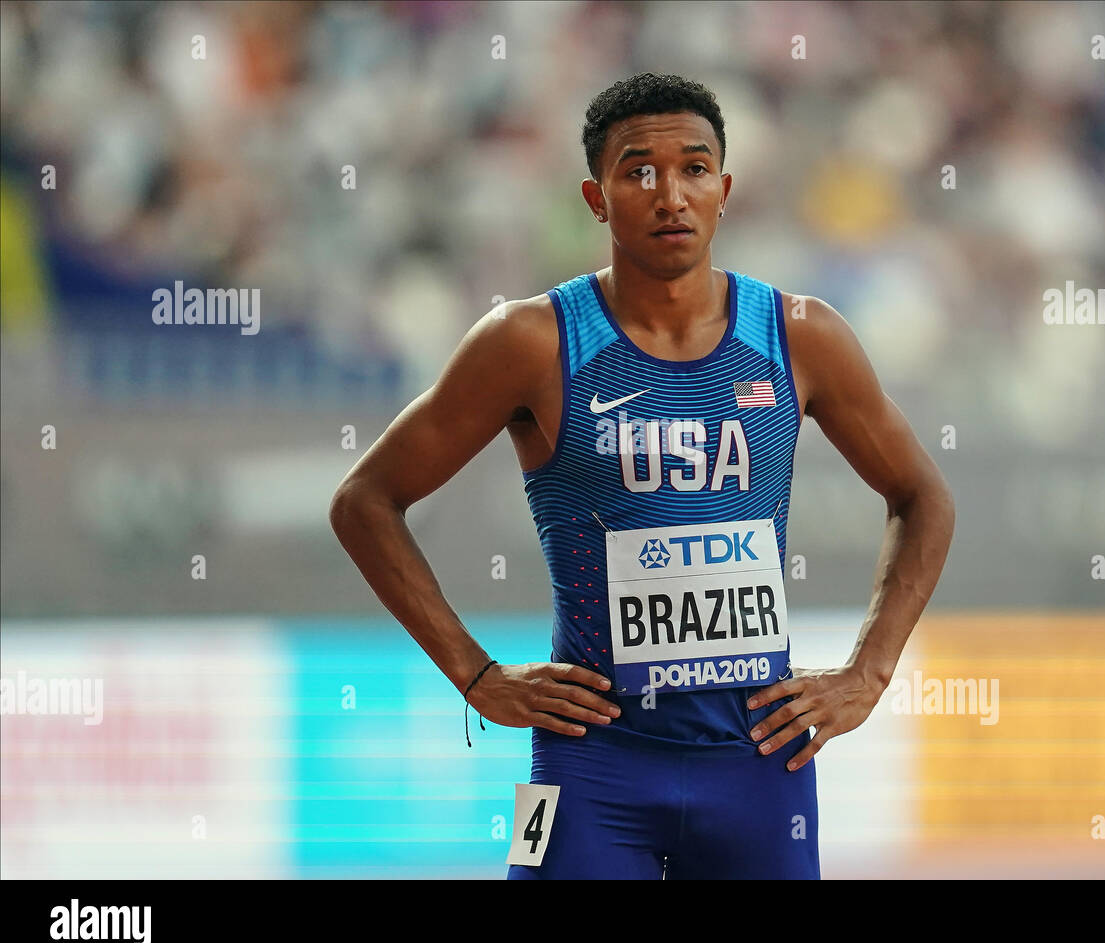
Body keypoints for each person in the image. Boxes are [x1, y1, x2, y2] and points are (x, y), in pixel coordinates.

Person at [329, 73, 955, 879]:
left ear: (724, 190)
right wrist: (475, 674)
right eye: (639, 171)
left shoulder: (800, 335)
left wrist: (868, 673)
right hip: (587, 767)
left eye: (695, 169)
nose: (671, 195)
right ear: (596, 197)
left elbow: (922, 496)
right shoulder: (529, 341)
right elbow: (365, 501)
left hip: (760, 760)